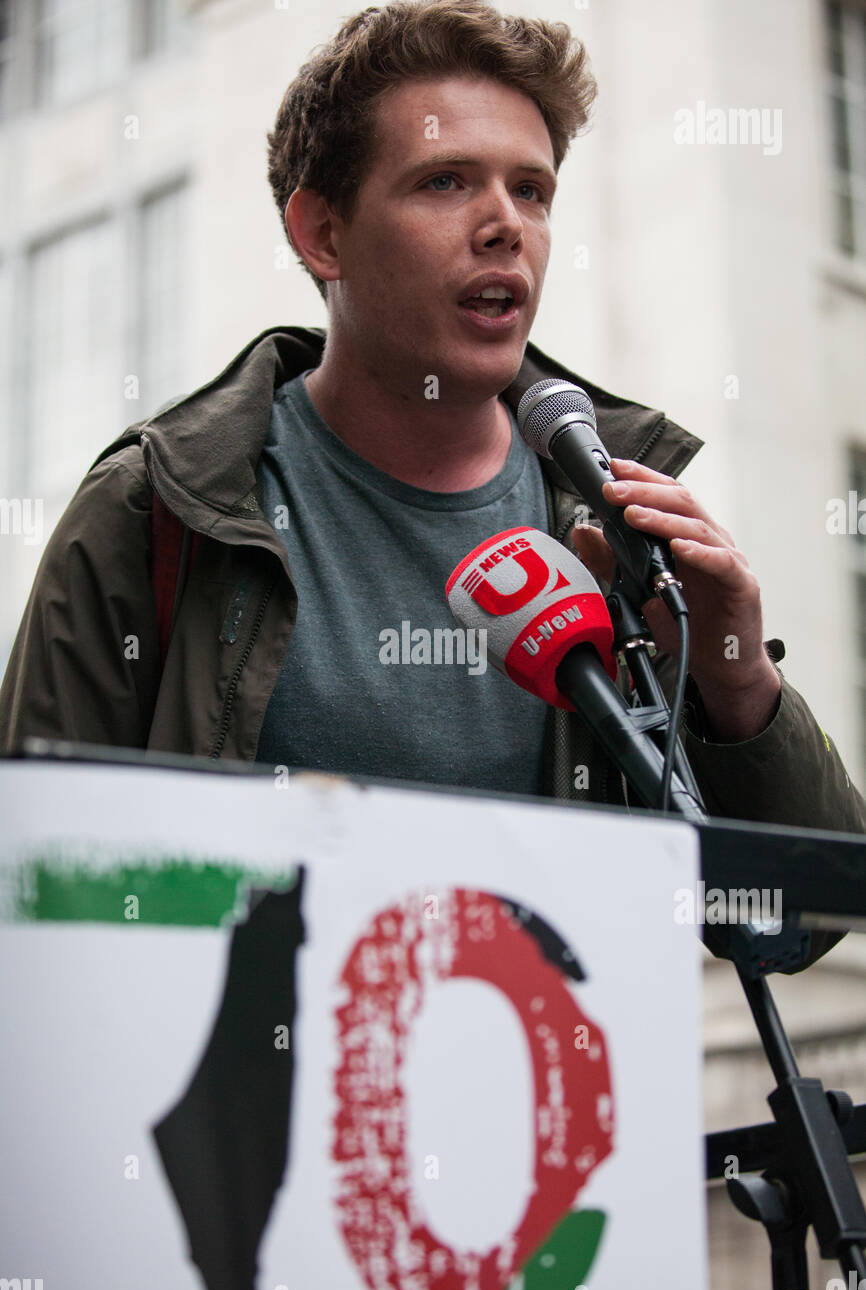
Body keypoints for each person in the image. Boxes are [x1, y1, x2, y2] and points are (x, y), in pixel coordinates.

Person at [0, 1, 863, 969]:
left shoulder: (615, 522)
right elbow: (30, 909)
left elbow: (790, 930)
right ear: (320, 232)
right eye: (445, 180)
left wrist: (734, 678)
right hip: (226, 1116)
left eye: (530, 190)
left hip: (564, 1107)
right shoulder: (156, 508)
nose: (504, 225)